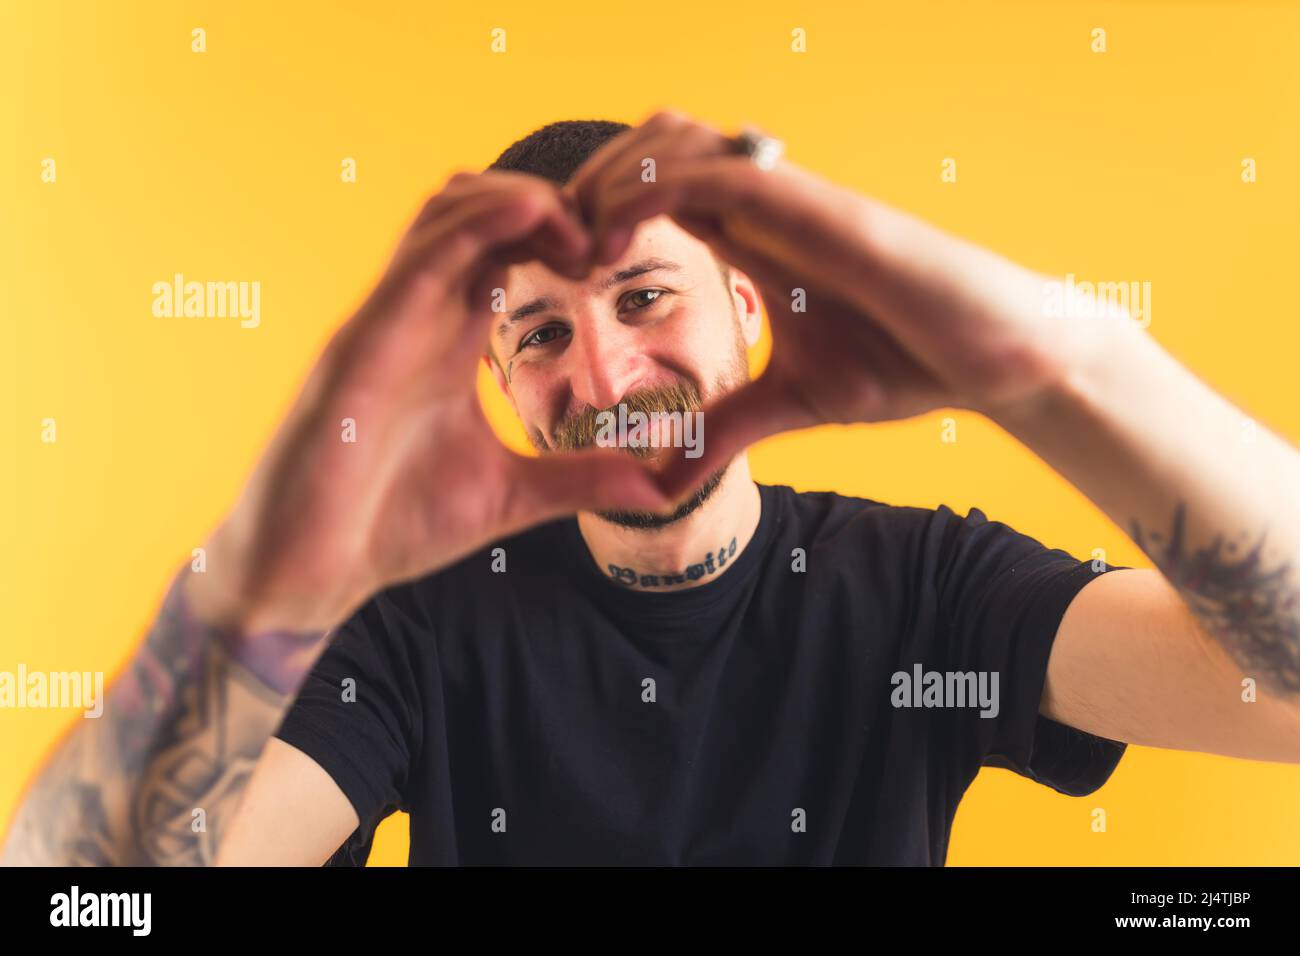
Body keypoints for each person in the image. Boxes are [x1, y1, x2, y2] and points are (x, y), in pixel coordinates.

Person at [4, 112, 1299, 867]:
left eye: (643, 296)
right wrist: (250, 586)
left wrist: (1054, 369)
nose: (609, 367)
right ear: (503, 387)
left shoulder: (923, 596)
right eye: (542, 334)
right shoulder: (414, 630)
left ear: (749, 311)